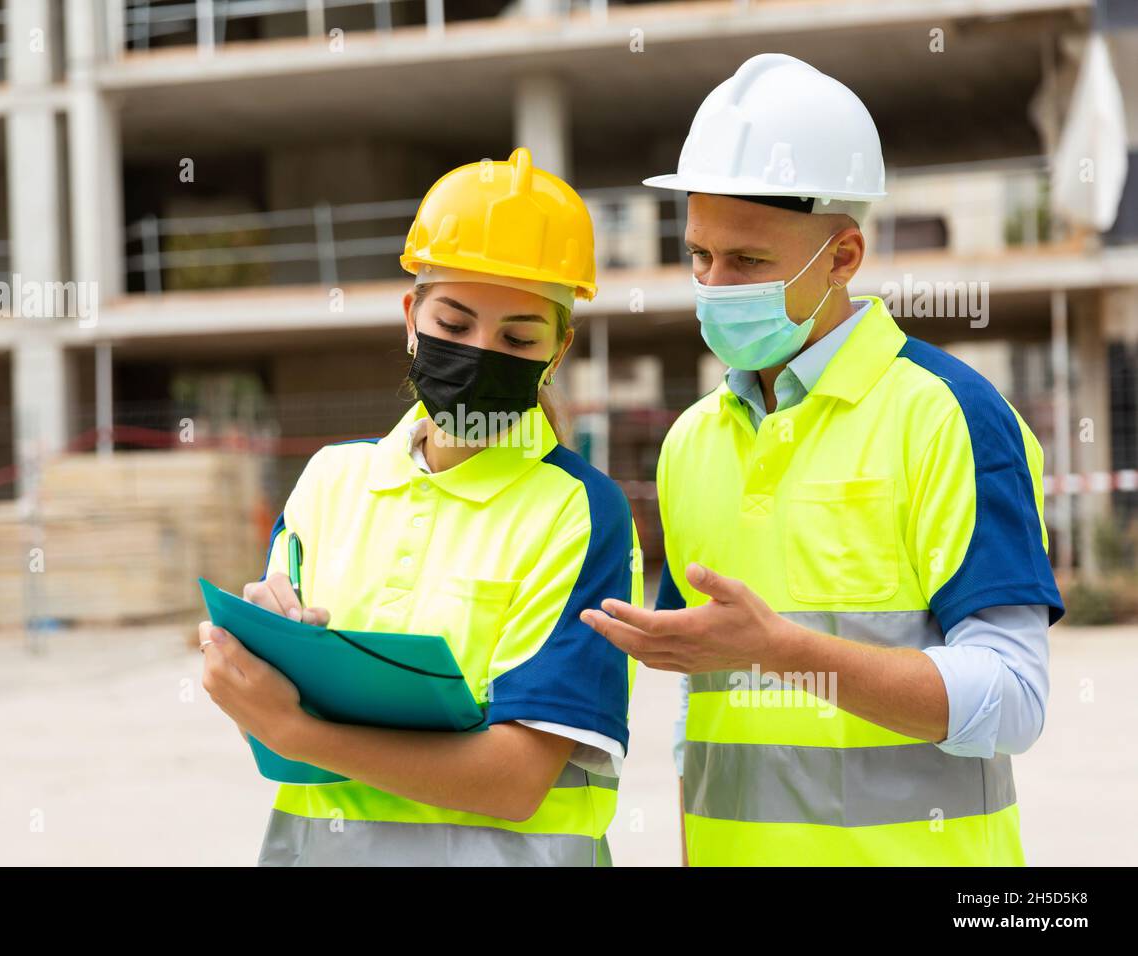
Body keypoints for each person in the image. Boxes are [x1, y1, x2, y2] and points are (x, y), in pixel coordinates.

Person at [581, 54, 1064, 866]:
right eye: (700, 256)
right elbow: (701, 724)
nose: (715, 285)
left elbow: (1014, 701)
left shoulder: (950, 416)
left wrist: (781, 651)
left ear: (843, 256)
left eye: (748, 262)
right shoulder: (692, 441)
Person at [200, 146, 642, 866]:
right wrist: (249, 659)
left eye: (517, 337)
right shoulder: (329, 481)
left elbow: (517, 780)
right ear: (411, 317)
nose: (479, 352)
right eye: (455, 322)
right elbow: (267, 713)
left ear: (557, 350)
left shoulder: (579, 513)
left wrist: (300, 731)